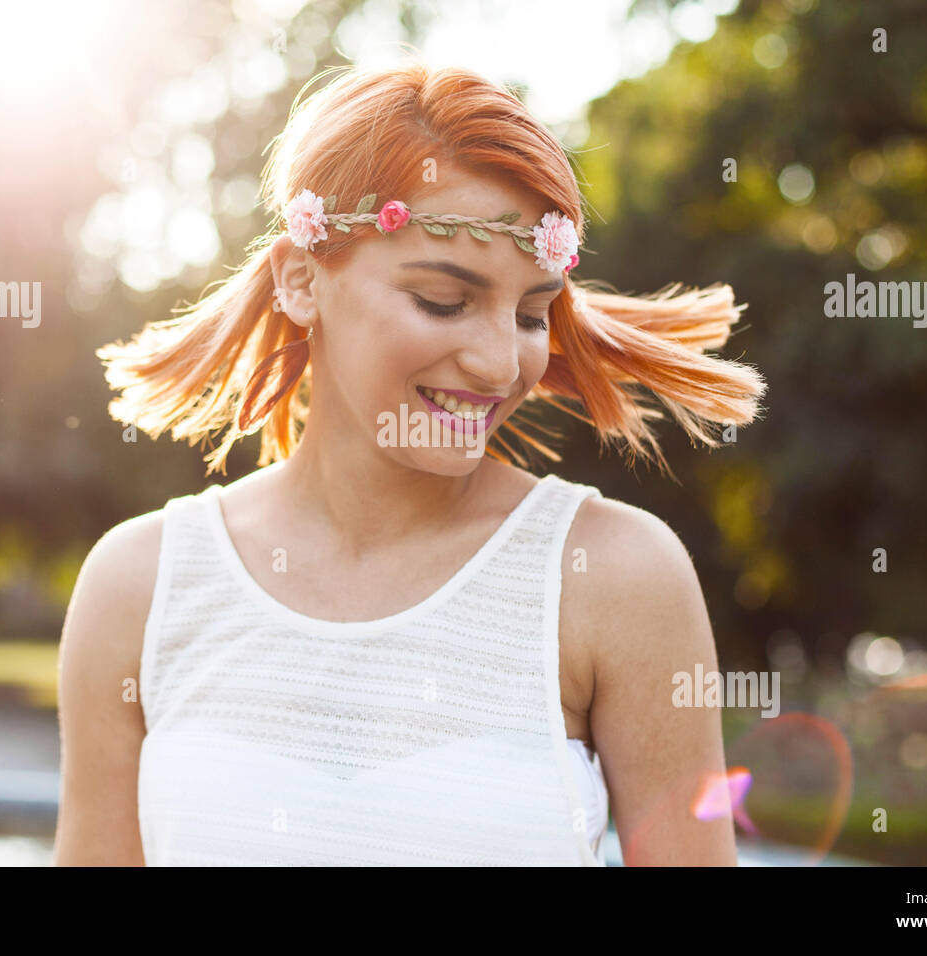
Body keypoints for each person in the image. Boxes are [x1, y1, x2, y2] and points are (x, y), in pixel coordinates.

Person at [53, 61, 765, 866]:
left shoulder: (617, 578)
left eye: (533, 313)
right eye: (443, 301)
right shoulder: (138, 588)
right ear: (300, 282)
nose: (501, 366)